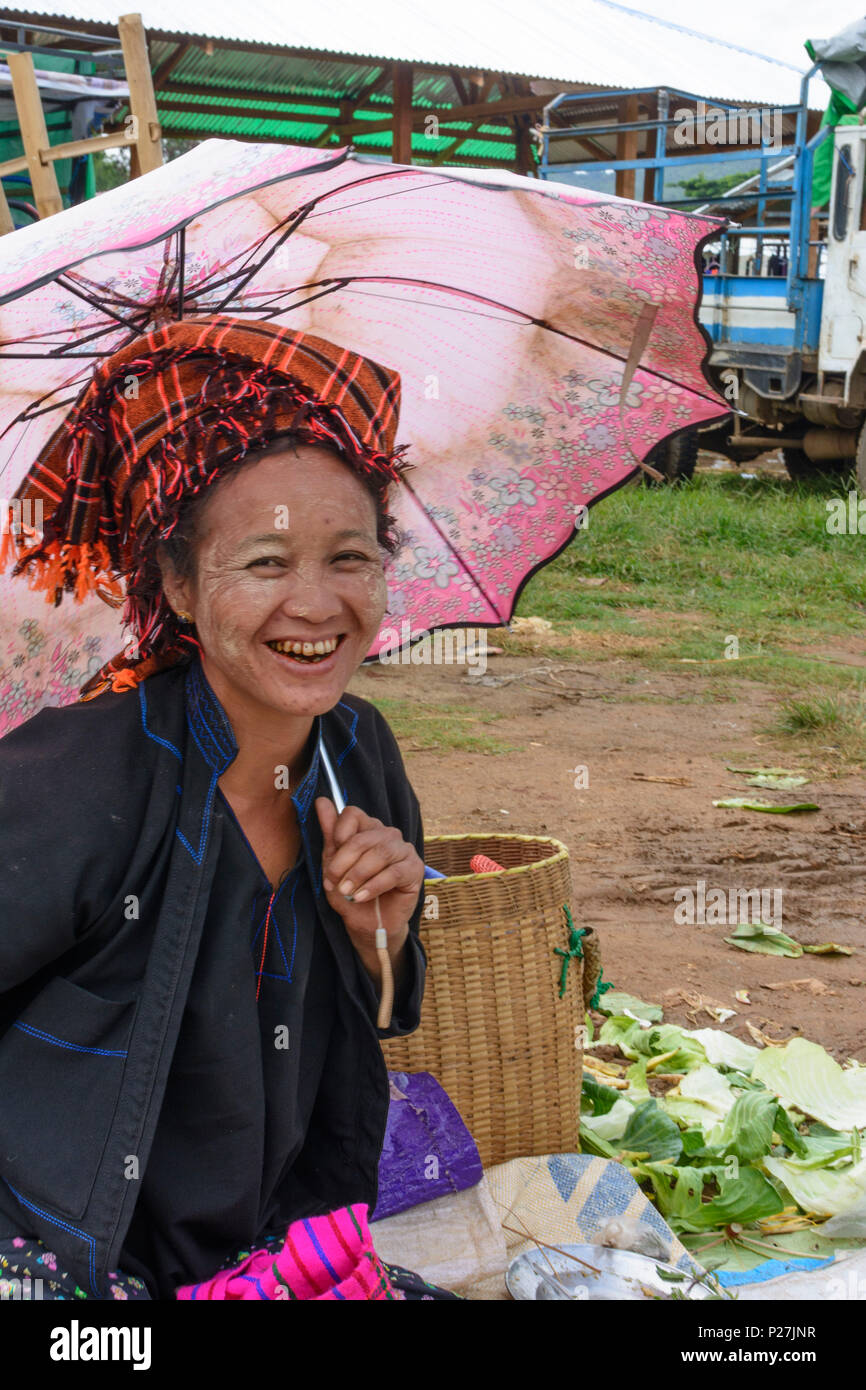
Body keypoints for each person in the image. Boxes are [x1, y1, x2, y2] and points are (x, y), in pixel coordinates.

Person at [0, 315, 455, 1301]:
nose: (316, 603)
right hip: (64, 1260)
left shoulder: (359, 755)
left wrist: (381, 938)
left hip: (264, 1253)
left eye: (349, 557)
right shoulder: (76, 781)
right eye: (264, 563)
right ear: (176, 584)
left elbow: (388, 1009)